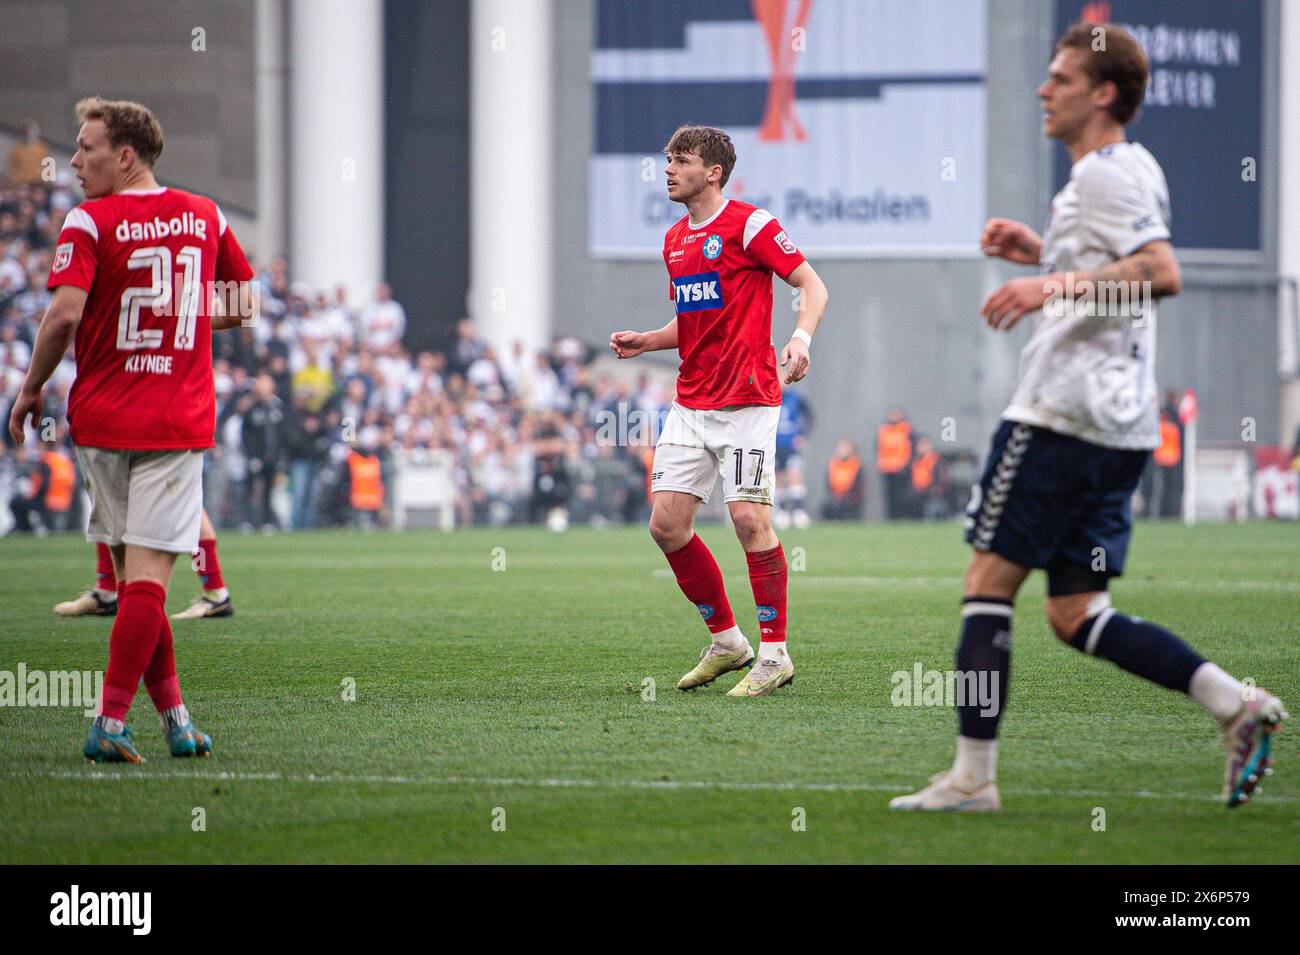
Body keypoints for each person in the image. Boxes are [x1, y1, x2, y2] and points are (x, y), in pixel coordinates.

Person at [891, 24, 1286, 812]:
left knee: (986, 582)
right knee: (1076, 612)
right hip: (1119, 424)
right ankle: (1233, 705)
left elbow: (1159, 275)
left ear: (1103, 94)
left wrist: (1048, 287)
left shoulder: (1105, 176)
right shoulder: (1124, 169)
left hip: (1060, 414)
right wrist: (1042, 254)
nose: (1045, 90)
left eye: (1061, 79)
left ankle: (973, 778)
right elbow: (1120, 272)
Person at [8, 97, 256, 763]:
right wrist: (183, 318)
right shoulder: (205, 214)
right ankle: (110, 721)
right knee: (147, 583)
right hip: (173, 420)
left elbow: (62, 319)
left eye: (87, 148)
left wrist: (31, 389)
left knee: (133, 579)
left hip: (102, 419)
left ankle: (176, 720)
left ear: (125, 155)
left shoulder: (89, 220)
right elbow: (243, 301)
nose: (77, 160)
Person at [610, 125, 828, 698]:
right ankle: (728, 642)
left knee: (750, 521)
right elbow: (693, 320)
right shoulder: (676, 241)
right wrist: (647, 340)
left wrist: (801, 339)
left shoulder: (751, 225)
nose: (668, 169)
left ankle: (775, 655)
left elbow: (812, 285)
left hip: (750, 403)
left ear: (713, 172)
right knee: (666, 525)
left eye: (680, 161)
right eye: (667, 159)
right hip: (690, 403)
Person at [56, 510, 234, 618]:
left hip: (167, 449)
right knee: (109, 499)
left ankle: (215, 592)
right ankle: (106, 592)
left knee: (186, 507)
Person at [876, 405, 912, 519]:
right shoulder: (884, 430)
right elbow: (879, 447)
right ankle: (892, 517)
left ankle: (902, 516)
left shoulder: (906, 428)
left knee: (902, 495)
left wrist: (907, 464)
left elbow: (910, 447)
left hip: (902, 468)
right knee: (889, 495)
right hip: (887, 468)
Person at [822, 438, 864, 521]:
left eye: (845, 448)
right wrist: (835, 495)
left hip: (850, 499)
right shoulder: (833, 464)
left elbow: (858, 484)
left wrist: (847, 495)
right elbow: (829, 482)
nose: (842, 451)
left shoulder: (856, 464)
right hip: (836, 497)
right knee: (826, 507)